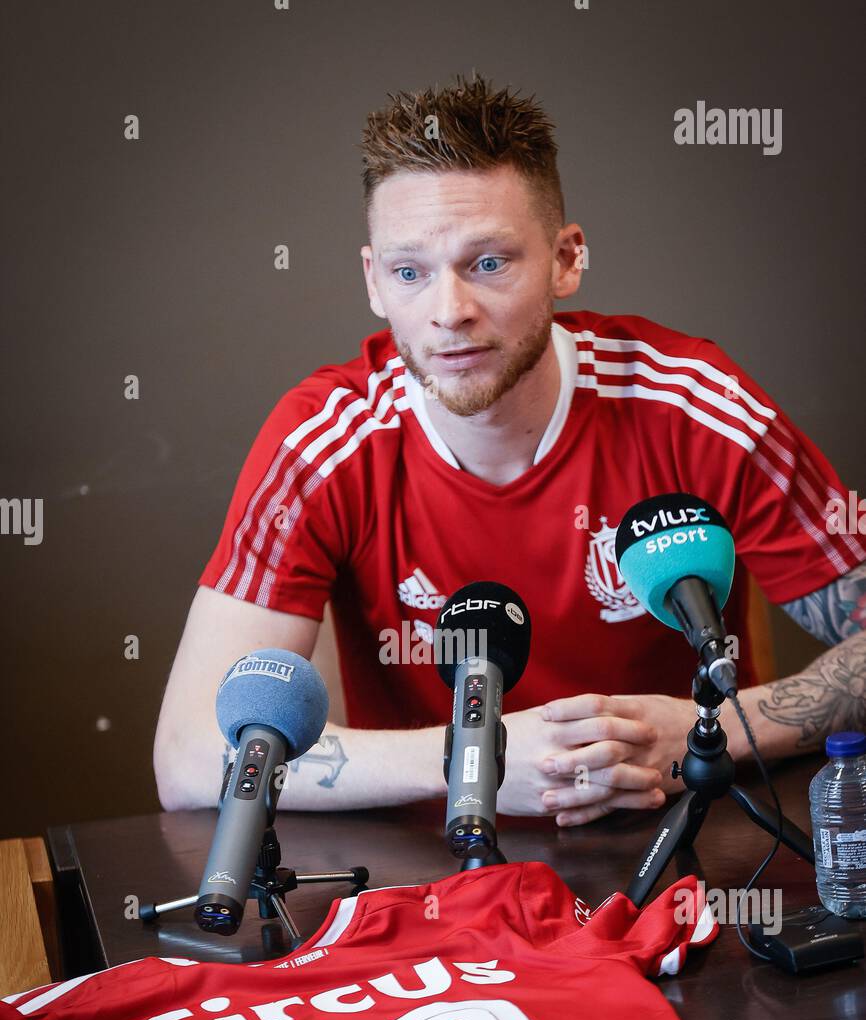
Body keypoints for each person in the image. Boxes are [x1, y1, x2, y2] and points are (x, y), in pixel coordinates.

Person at [154, 73, 866, 827]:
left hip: (687, 836)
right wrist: (475, 757)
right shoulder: (322, 442)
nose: (449, 312)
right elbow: (190, 756)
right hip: (433, 872)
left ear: (566, 259)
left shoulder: (691, 401)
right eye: (410, 272)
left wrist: (712, 729)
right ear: (373, 281)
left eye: (488, 263)